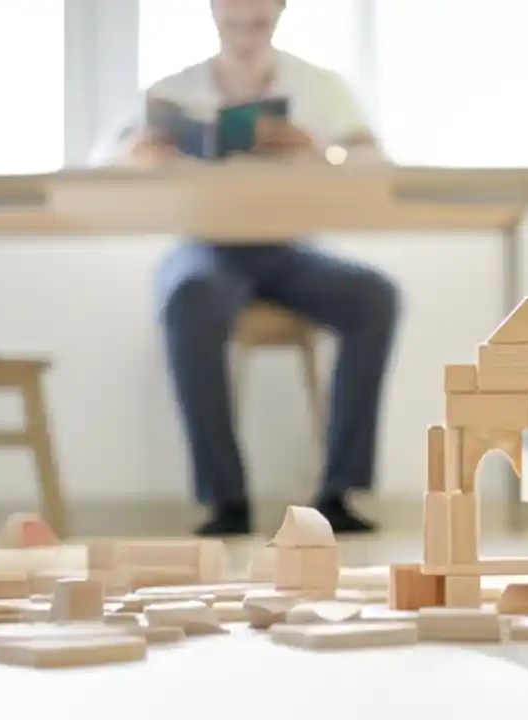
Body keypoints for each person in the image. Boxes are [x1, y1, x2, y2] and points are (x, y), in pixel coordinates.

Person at [106, 0, 400, 536]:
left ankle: (340, 492)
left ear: (280, 14)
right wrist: (141, 152)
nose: (244, 35)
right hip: (207, 247)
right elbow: (106, 163)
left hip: (288, 249)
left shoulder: (321, 87)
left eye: (258, 23)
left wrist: (318, 148)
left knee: (374, 295)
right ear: (215, 16)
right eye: (233, 23)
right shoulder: (173, 92)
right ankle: (226, 501)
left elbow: (373, 162)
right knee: (187, 295)